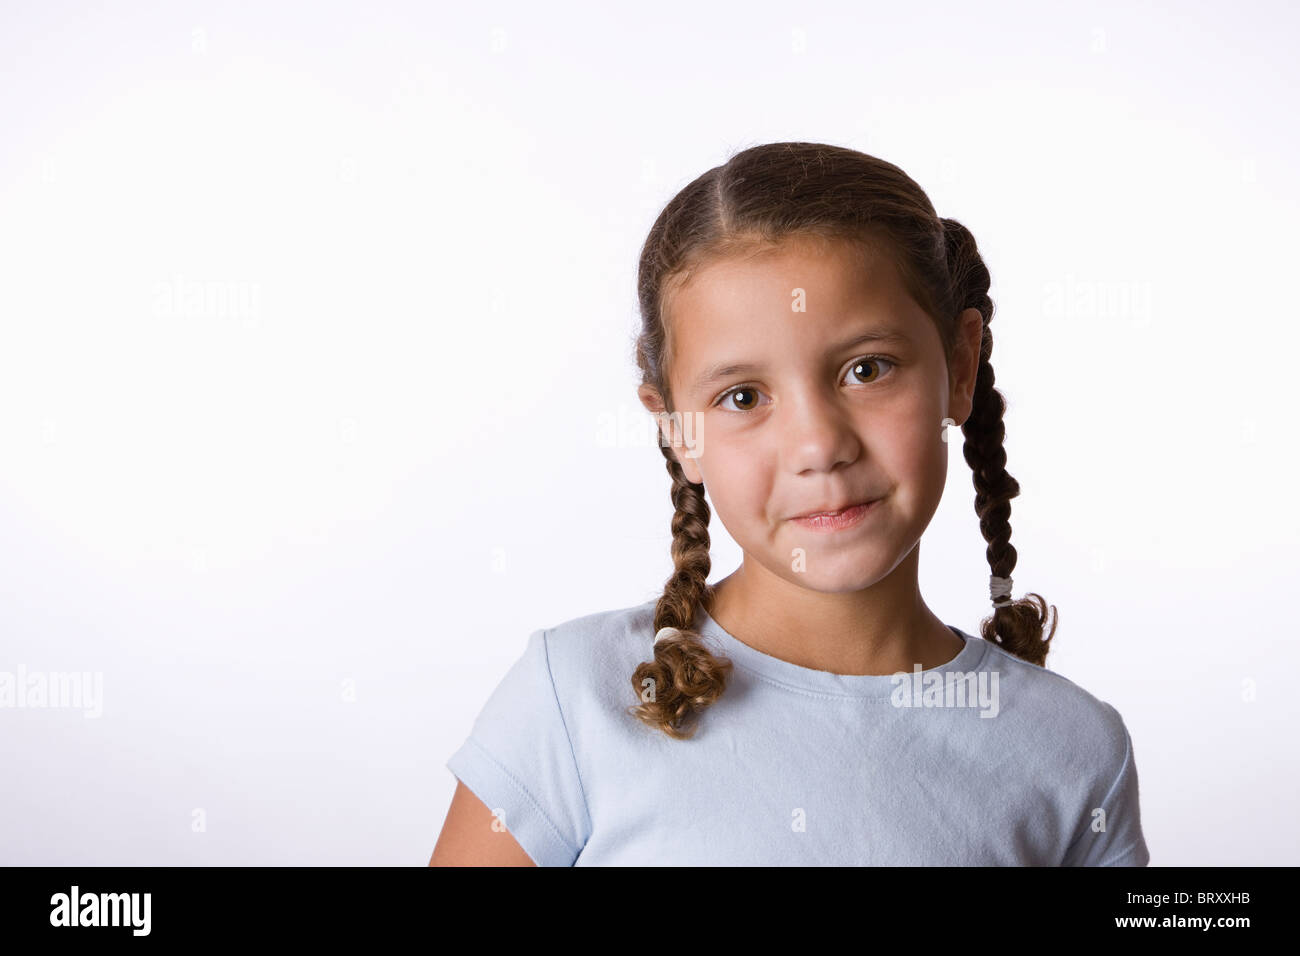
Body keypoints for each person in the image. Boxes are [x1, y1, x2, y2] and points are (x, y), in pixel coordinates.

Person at [429, 142, 1149, 866]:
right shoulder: (574, 700)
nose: (818, 445)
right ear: (678, 430)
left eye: (867, 370)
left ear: (959, 368)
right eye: (742, 397)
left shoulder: (1076, 751)